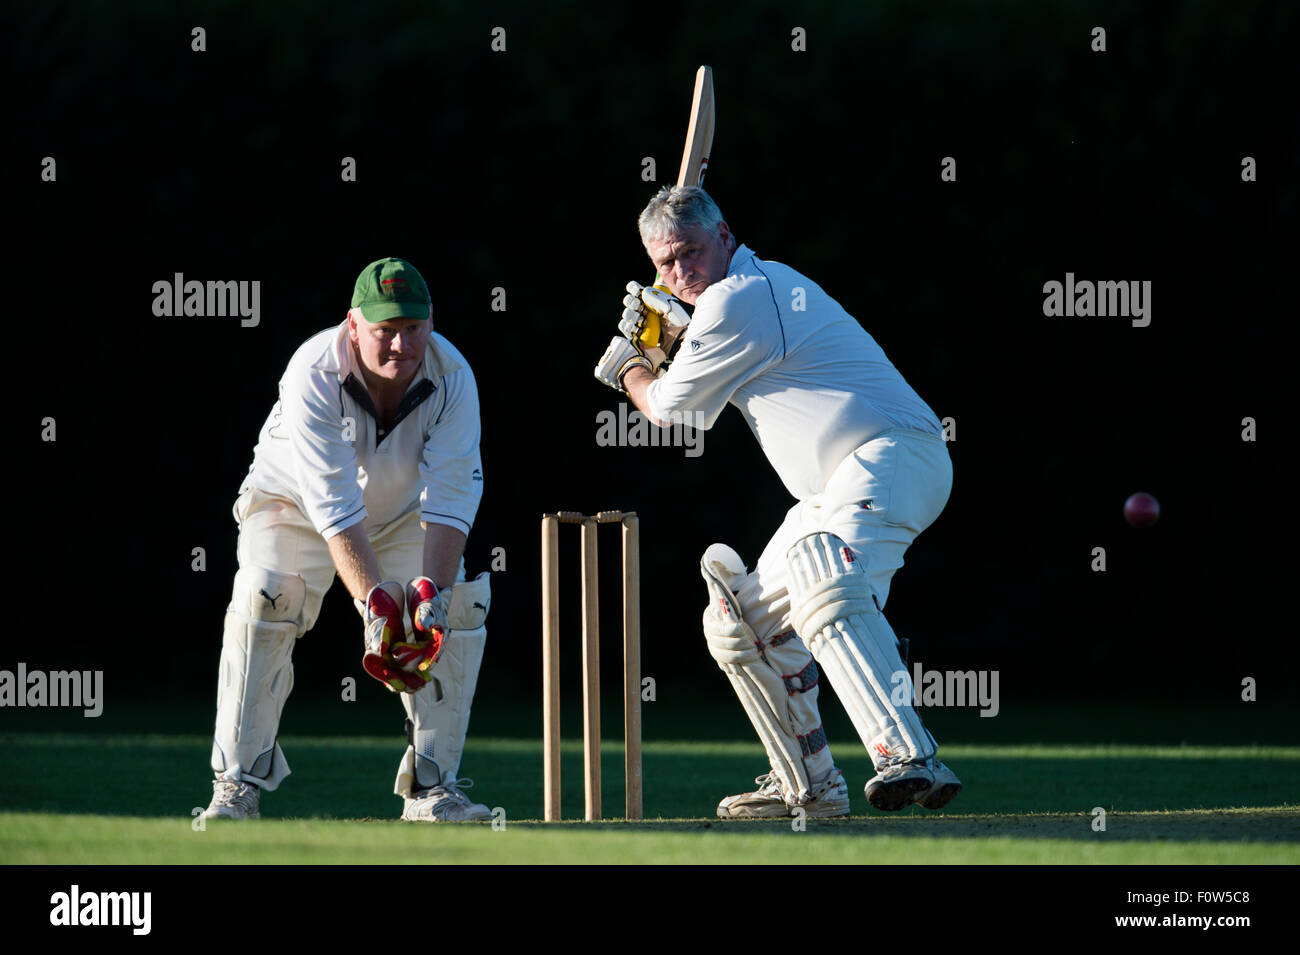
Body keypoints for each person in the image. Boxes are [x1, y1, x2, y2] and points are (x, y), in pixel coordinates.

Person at [595, 187, 961, 817]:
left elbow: (673, 411)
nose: (678, 273)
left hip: (894, 456)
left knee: (827, 576)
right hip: (834, 488)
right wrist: (671, 345)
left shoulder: (743, 297)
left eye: (689, 254)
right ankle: (810, 784)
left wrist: (630, 363)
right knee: (742, 623)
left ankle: (908, 753)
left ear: (726, 236)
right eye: (664, 264)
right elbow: (697, 381)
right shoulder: (737, 298)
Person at [201, 257, 493, 823]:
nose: (400, 346)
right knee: (267, 596)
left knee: (454, 608)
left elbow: (454, 497)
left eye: (412, 329)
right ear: (353, 326)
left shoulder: (453, 376)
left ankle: (433, 789)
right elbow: (332, 503)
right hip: (293, 505)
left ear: (430, 323)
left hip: (404, 513)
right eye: (385, 331)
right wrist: (377, 605)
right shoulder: (312, 370)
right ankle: (236, 786)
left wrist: (427, 595)